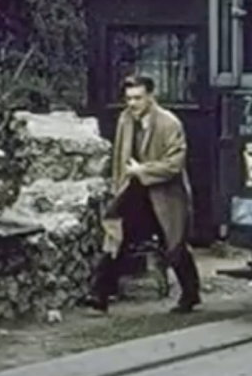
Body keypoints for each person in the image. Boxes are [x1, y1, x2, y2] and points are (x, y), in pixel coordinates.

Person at [81, 74, 202, 314]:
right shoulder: (125, 120)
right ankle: (99, 294)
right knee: (117, 234)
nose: (132, 103)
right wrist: (119, 184)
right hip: (134, 188)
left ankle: (190, 294)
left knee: (174, 244)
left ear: (150, 96)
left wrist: (143, 169)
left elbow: (175, 163)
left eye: (138, 98)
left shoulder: (169, 123)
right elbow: (119, 156)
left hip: (165, 192)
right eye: (129, 98)